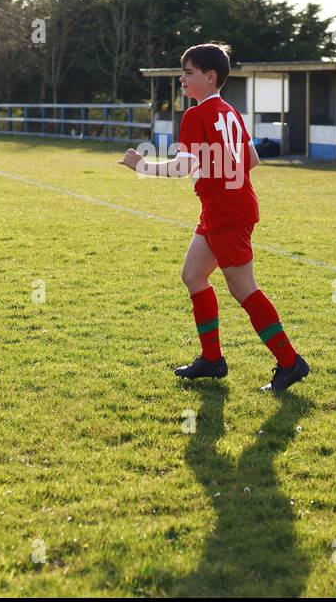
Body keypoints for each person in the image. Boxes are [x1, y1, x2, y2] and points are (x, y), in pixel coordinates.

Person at [119, 41, 310, 393]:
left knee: (245, 291)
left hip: (227, 213)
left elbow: (183, 167)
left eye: (187, 73)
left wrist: (141, 166)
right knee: (193, 276)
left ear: (210, 77)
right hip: (225, 209)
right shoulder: (231, 112)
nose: (181, 79)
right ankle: (212, 359)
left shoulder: (196, 115)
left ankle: (289, 362)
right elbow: (251, 159)